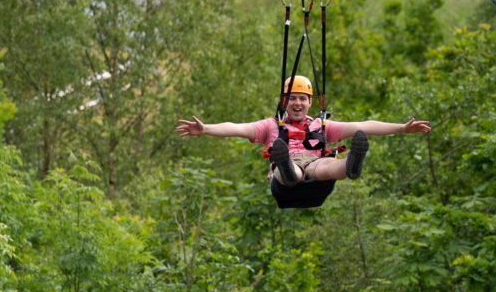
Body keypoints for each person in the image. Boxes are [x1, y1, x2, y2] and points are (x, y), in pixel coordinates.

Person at [174, 75, 431, 199]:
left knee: (327, 167)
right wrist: (206, 128)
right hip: (286, 177)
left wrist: (401, 128)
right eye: (293, 99)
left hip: (314, 166)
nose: (297, 103)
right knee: (292, 172)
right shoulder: (270, 126)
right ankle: (285, 164)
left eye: (302, 99)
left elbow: (363, 124)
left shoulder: (322, 125)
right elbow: (236, 128)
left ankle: (352, 164)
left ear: (310, 103)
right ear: (285, 102)